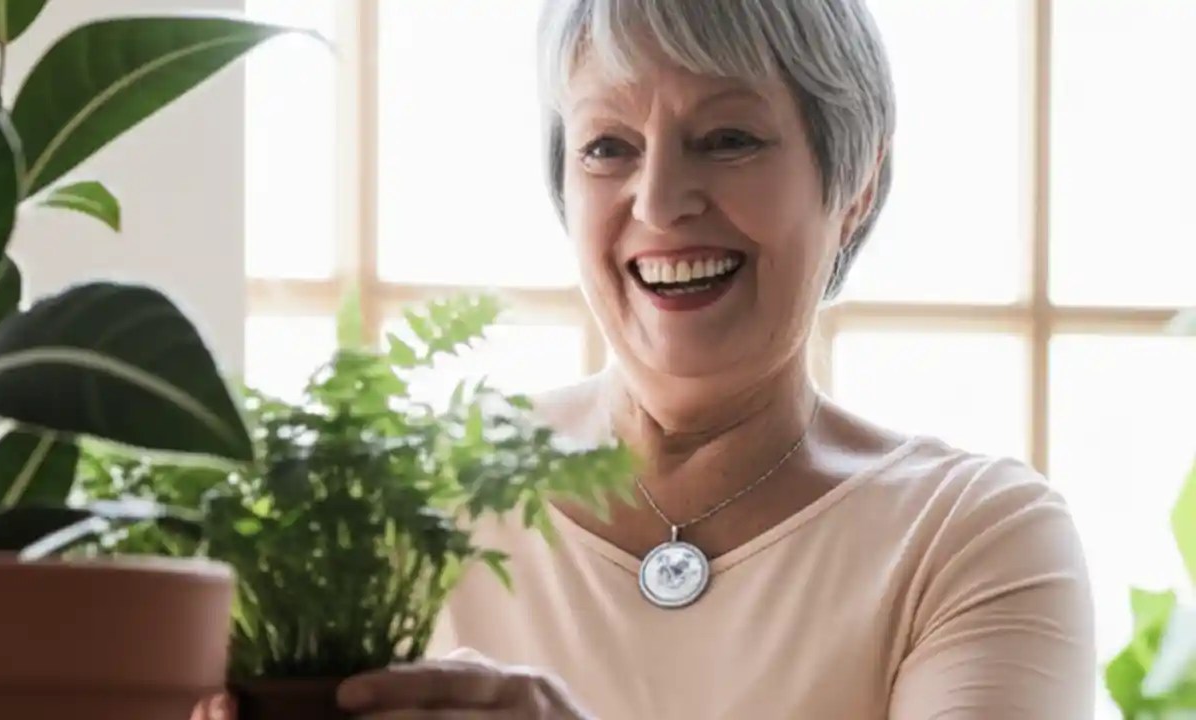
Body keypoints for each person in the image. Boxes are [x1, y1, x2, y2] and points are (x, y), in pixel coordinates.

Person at [252, 0, 1097, 718]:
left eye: (728, 138)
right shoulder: (407, 498)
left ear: (856, 183)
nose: (659, 202)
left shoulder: (969, 538)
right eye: (607, 148)